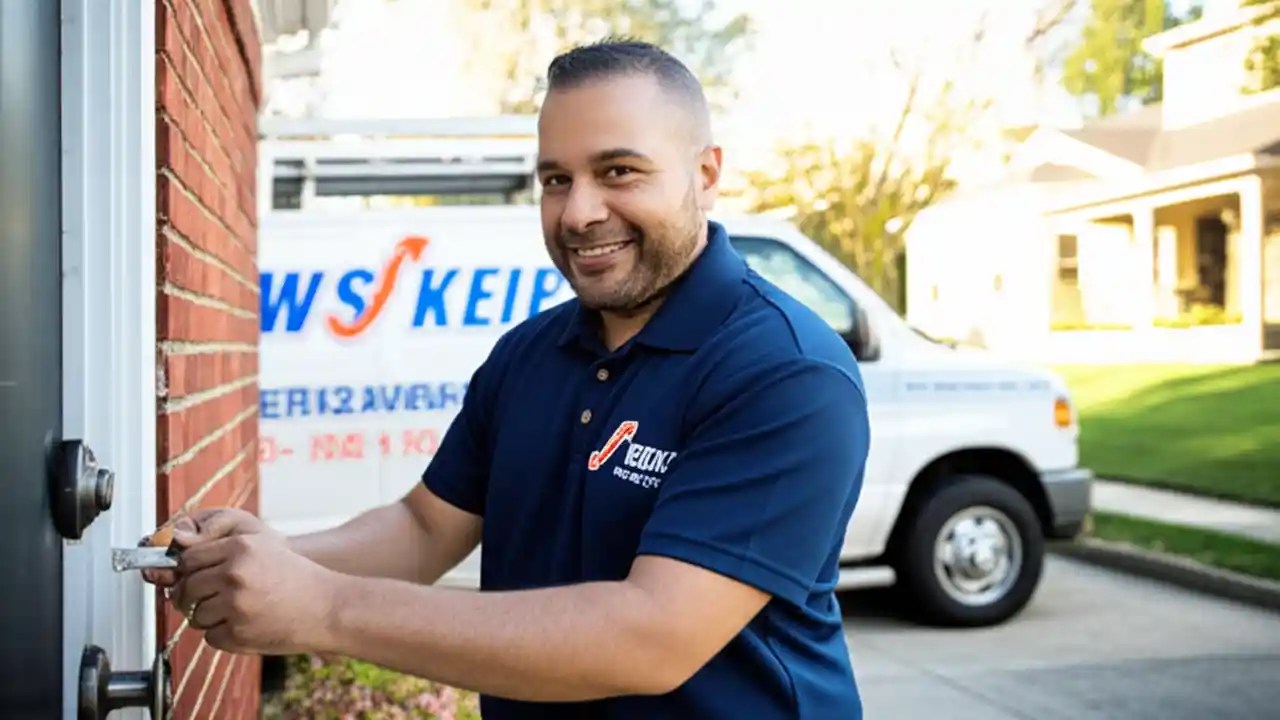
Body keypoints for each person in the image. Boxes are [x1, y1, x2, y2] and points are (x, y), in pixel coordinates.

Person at [144, 38, 871, 719]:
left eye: (618, 171)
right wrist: (264, 560)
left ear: (705, 174)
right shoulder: (530, 353)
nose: (580, 212)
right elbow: (425, 528)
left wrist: (325, 608)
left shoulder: (785, 373)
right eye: (557, 180)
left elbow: (651, 638)